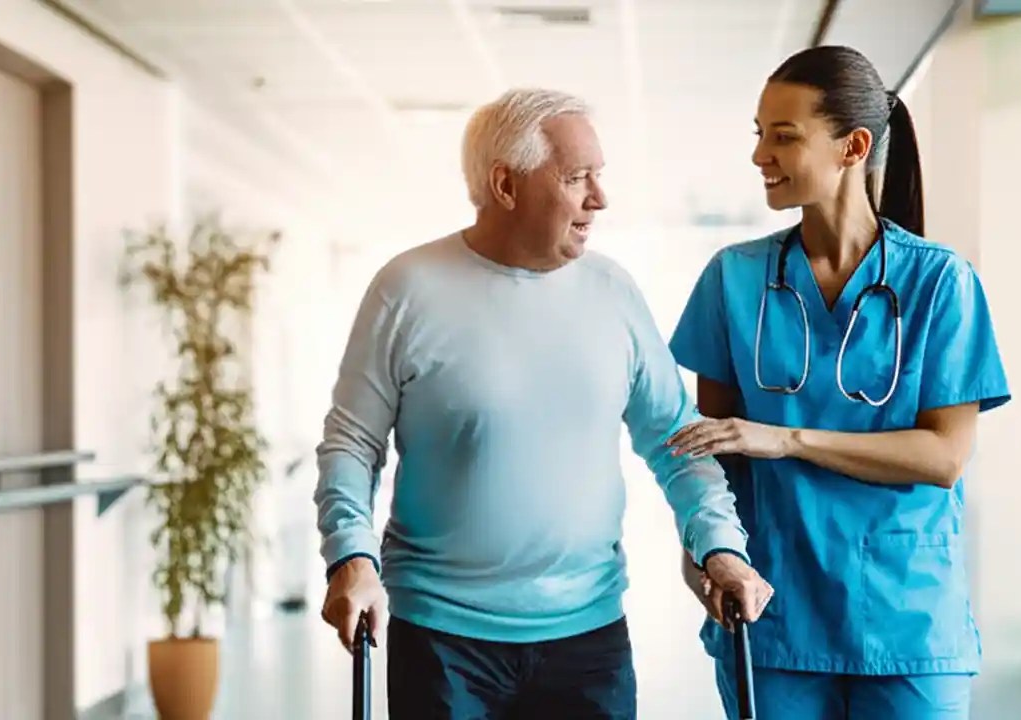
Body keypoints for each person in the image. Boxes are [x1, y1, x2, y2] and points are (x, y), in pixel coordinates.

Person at [313, 87, 773, 719]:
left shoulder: (613, 292)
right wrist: (351, 556)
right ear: (506, 185)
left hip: (588, 639)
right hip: (443, 638)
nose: (599, 198)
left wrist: (720, 546)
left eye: (599, 176)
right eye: (577, 177)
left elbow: (677, 439)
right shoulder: (407, 287)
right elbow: (352, 442)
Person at [667, 46, 1010, 720]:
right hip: (774, 608)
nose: (760, 154)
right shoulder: (733, 279)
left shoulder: (940, 282)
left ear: (853, 147)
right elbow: (714, 457)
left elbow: (944, 456)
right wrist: (703, 553)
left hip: (907, 617)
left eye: (783, 136)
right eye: (759, 134)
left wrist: (787, 438)